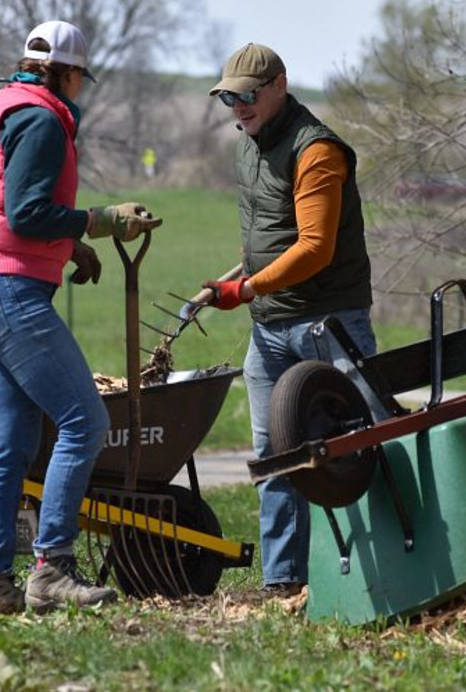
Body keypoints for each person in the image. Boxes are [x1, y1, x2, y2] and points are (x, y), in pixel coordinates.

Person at [0, 20, 161, 616]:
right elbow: (25, 212)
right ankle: (52, 567)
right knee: (84, 421)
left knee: (12, 441)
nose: (80, 89)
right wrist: (99, 220)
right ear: (68, 73)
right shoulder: (44, 119)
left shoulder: (2, 107)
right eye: (80, 78)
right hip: (11, 295)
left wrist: (70, 246)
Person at [202, 43, 375, 598]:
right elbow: (268, 229)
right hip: (270, 327)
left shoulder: (317, 150)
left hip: (328, 325)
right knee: (274, 454)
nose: (238, 106)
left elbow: (317, 249)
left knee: (360, 447)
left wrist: (247, 287)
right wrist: (246, 277)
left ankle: (382, 573)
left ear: (279, 84)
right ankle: (284, 584)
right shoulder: (250, 145)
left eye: (248, 95)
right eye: (229, 96)